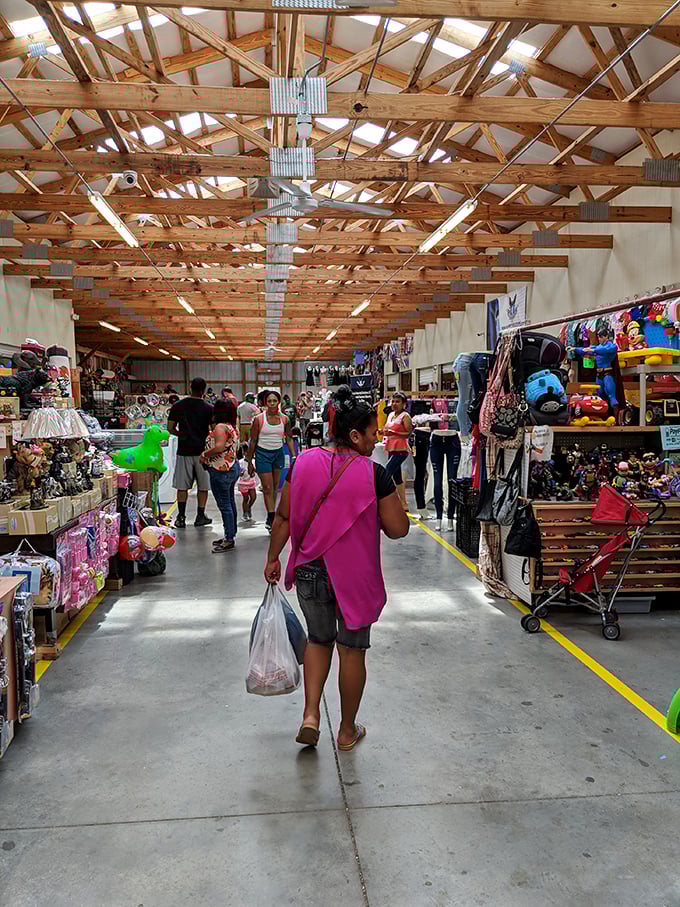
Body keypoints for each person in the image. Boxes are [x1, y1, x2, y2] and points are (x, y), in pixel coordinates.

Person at [265, 385, 409, 750]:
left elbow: (283, 516)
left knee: (318, 640)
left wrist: (273, 558)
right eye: (373, 433)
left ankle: (311, 715)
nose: (377, 440)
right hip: (355, 576)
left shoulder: (301, 463)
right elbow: (397, 529)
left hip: (310, 567)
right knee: (352, 650)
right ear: (355, 434)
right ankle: (346, 731)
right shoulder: (374, 474)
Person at [247, 390, 296, 532]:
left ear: (279, 402)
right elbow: (253, 440)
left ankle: (272, 512)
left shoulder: (285, 419)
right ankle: (270, 516)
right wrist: (249, 461)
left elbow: (288, 438)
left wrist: (294, 456)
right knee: (267, 487)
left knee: (275, 487)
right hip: (262, 454)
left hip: (278, 454)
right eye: (269, 401)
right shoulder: (258, 419)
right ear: (265, 403)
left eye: (275, 401)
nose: (272, 403)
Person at [168, 377, 213, 529]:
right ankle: (200, 516)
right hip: (203, 453)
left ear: (190, 388)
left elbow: (170, 428)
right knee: (203, 486)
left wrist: (181, 435)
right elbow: (214, 430)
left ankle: (180, 517)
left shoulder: (178, 405)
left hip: (184, 450)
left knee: (182, 486)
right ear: (204, 390)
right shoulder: (209, 408)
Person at [200, 399, 240, 553]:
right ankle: (230, 533)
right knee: (230, 502)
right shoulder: (231, 426)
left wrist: (204, 454)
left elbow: (219, 447)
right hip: (231, 467)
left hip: (221, 470)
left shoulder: (220, 427)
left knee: (225, 505)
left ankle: (229, 539)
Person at [383, 391, 412, 512]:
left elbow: (408, 433)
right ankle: (403, 503)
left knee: (386, 473)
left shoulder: (405, 416)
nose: (394, 404)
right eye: (393, 401)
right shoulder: (390, 415)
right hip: (391, 448)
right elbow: (387, 428)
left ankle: (385, 500)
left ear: (404, 404)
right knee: (397, 477)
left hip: (401, 450)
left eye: (398, 401)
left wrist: (394, 433)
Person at [237, 444, 258, 522]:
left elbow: (256, 470)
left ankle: (248, 507)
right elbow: (238, 472)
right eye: (245, 452)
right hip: (243, 483)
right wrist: (240, 473)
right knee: (246, 498)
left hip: (251, 482)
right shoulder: (240, 462)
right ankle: (245, 513)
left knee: (253, 497)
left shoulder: (253, 461)